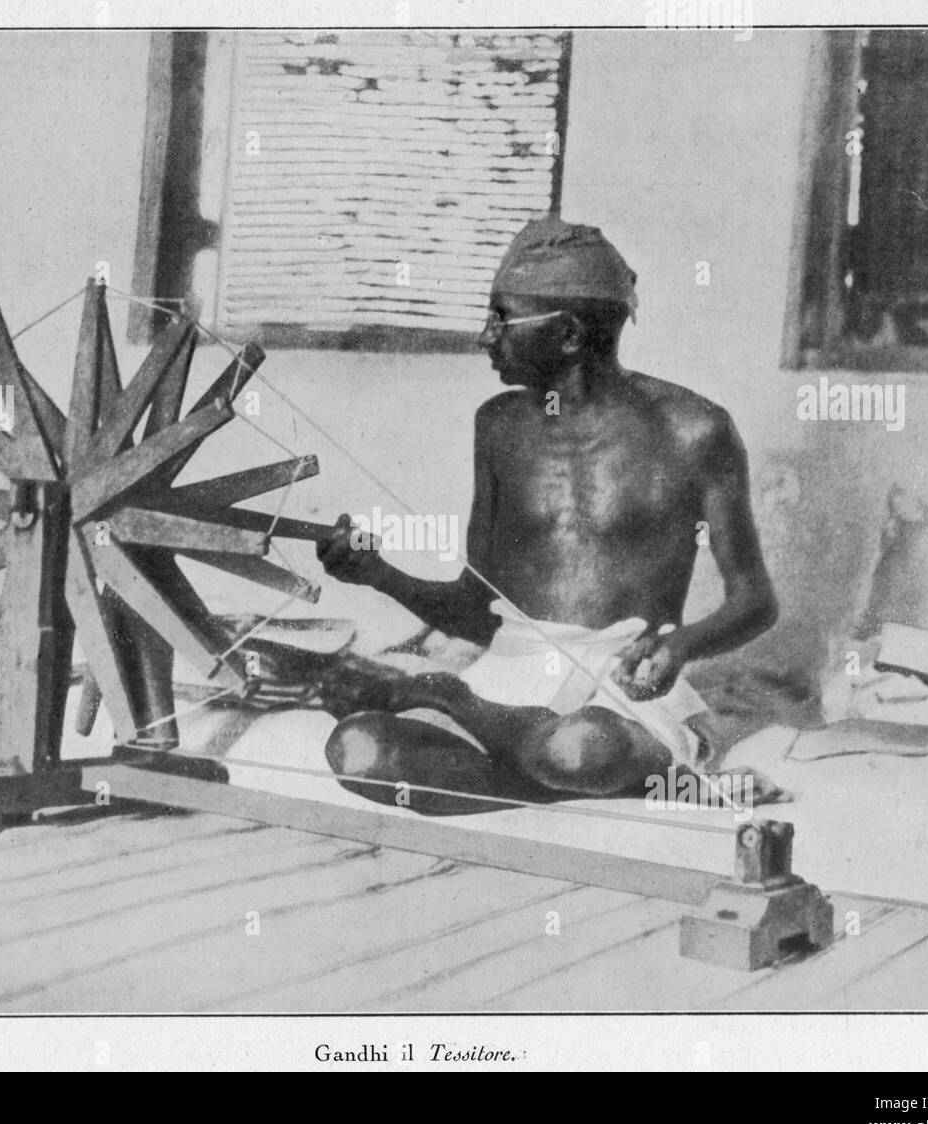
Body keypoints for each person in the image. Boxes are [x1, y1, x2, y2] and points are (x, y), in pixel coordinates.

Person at [315, 217, 778, 815]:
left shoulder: (695, 430)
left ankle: (513, 769)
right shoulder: (498, 426)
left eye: (501, 319)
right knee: (356, 750)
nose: (485, 338)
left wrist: (680, 647)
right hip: (504, 684)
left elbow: (755, 602)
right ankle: (547, 775)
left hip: (620, 692)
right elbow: (471, 609)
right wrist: (374, 573)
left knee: (581, 750)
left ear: (566, 336)